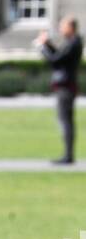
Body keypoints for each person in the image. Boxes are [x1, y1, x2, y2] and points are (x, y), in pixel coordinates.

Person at [37, 17, 82, 165]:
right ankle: (68, 155)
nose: (61, 29)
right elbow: (59, 56)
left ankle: (68, 156)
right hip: (65, 85)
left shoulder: (74, 42)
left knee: (65, 121)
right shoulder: (72, 42)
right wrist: (48, 44)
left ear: (71, 27)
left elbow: (55, 61)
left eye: (63, 26)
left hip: (66, 86)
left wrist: (42, 47)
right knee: (65, 120)